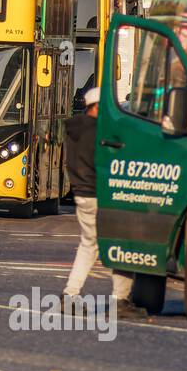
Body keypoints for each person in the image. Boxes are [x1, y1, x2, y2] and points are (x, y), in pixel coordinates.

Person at [62, 86, 139, 317]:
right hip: (100, 194)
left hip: (82, 194)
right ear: (97, 107)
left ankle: (70, 295)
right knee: (123, 244)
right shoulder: (98, 132)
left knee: (89, 245)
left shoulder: (74, 129)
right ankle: (120, 301)